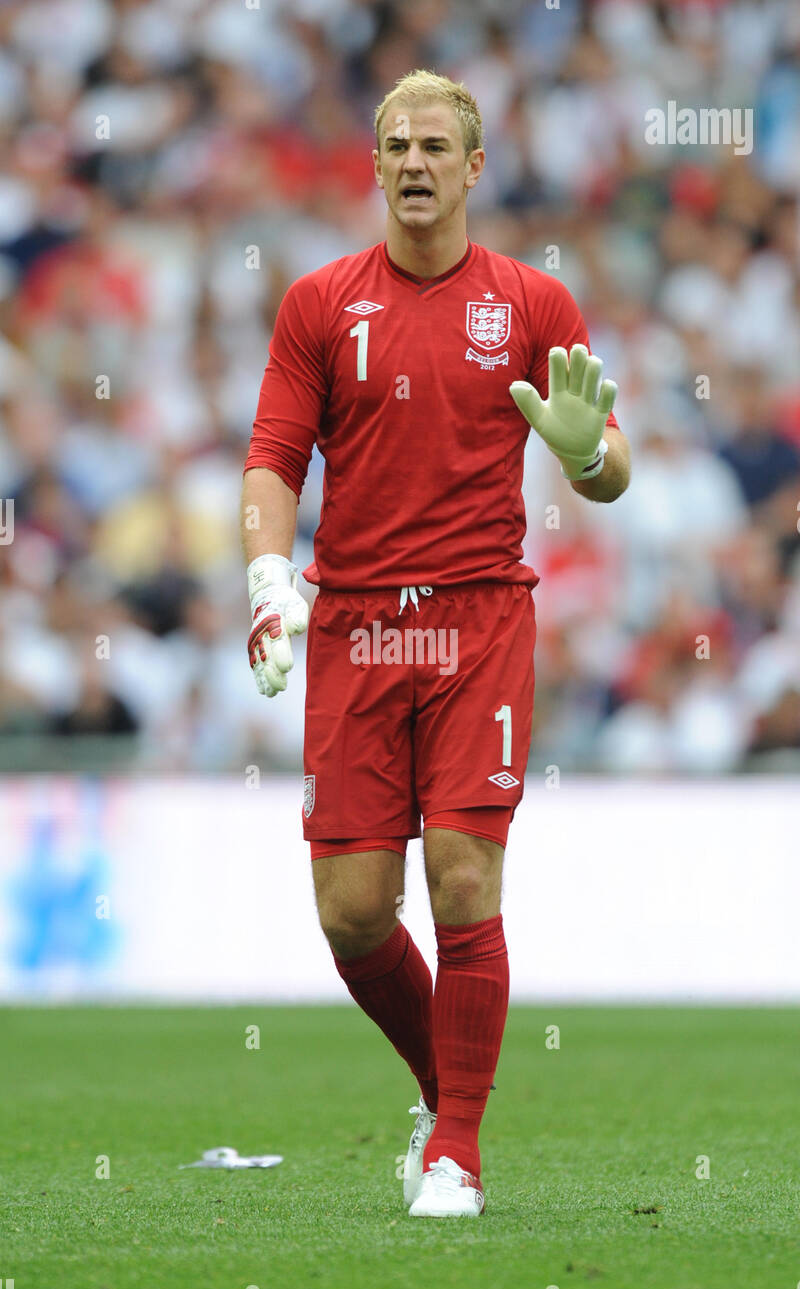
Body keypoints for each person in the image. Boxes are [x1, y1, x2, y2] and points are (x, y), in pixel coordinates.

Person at [240, 71, 630, 1218]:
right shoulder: (318, 303)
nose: (414, 163)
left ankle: (455, 1151)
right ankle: (440, 1087)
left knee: (462, 876)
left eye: (434, 147)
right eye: (395, 145)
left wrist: (585, 454)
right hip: (356, 624)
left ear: (472, 170)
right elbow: (272, 458)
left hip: (477, 618)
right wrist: (269, 577)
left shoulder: (534, 307)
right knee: (354, 912)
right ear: (374, 168)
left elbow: (611, 468)